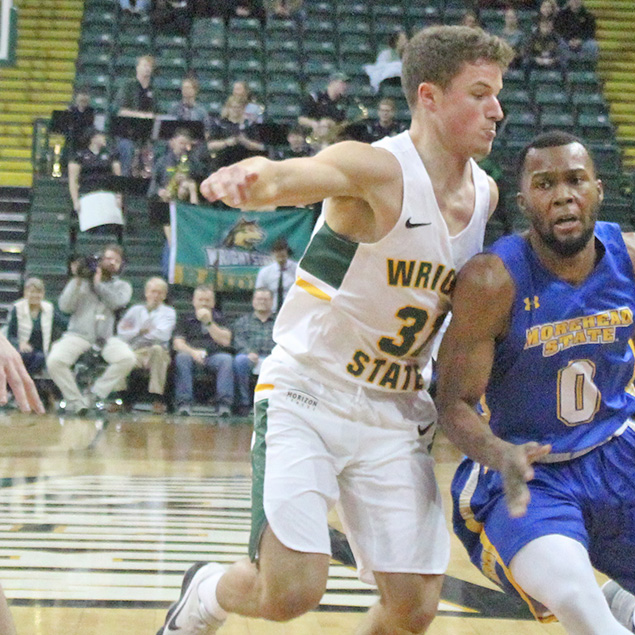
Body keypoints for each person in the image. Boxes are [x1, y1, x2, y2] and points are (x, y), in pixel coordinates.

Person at [155, 26, 512, 634]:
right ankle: (208, 592)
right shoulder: (372, 167)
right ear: (428, 97)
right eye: (479, 94)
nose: (496, 110)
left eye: (498, 94)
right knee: (290, 592)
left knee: (414, 608)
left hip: (397, 406)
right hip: (310, 392)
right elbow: (291, 176)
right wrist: (254, 180)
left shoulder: (486, 193)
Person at [438, 130, 635, 635]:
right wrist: (499, 454)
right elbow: (453, 402)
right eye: (545, 184)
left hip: (618, 457)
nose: (563, 194)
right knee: (581, 607)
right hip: (530, 471)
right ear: (524, 203)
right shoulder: (491, 281)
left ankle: (634, 614)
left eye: (575, 180)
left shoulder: (633, 257)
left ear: (597, 191)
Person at [46, 245, 135, 414]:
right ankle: (76, 401)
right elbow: (65, 306)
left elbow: (116, 302)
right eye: (108, 258)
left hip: (106, 338)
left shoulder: (123, 286)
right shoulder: (80, 281)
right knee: (55, 361)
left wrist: (99, 284)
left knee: (127, 358)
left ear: (121, 266)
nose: (112, 263)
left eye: (116, 261)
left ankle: (95, 394)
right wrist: (78, 280)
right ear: (100, 260)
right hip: (78, 334)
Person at [171, 284, 235, 417]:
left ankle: (224, 404)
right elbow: (178, 343)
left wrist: (209, 322)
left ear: (213, 302)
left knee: (227, 360)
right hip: (191, 355)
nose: (204, 303)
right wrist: (193, 352)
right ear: (194, 301)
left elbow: (225, 341)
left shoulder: (221, 318)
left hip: (214, 356)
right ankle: (184, 404)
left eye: (207, 300)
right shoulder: (185, 318)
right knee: (181, 357)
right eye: (201, 300)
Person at [116, 277, 176, 413]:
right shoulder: (135, 310)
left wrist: (136, 332)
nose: (156, 295)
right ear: (146, 293)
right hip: (136, 351)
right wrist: (140, 330)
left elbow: (163, 335)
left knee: (157, 350)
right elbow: (122, 332)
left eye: (160, 292)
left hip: (158, 351)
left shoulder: (169, 312)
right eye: (153, 291)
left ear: (164, 295)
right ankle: (122, 399)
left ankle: (157, 399)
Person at [68, 129, 123, 238]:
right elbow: (73, 181)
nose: (104, 139)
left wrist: (119, 196)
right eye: (101, 136)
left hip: (107, 195)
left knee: (107, 227)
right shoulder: (79, 156)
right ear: (93, 138)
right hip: (88, 196)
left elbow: (118, 177)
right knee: (90, 229)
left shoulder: (110, 154)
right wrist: (75, 201)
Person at [232, 287, 276, 416]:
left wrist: (275, 356)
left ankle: (272, 404)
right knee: (240, 361)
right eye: (259, 299)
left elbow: (284, 340)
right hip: (250, 358)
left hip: (273, 358)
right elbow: (238, 341)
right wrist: (248, 352)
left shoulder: (280, 322)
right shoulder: (243, 321)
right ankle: (244, 404)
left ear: (272, 301)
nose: (262, 302)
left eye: (266, 299)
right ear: (253, 301)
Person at [5, 278, 62, 376]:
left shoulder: (49, 308)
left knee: (40, 358)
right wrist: (20, 343)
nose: (35, 295)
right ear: (25, 293)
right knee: (23, 356)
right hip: (22, 349)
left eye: (38, 292)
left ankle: (23, 383)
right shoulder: (17, 308)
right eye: (31, 292)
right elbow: (10, 335)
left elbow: (63, 323)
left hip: (40, 351)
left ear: (43, 294)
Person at [112, 55, 156, 176]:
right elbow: (120, 110)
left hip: (147, 136)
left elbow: (156, 113)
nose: (147, 69)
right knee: (127, 148)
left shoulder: (154, 90)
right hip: (127, 135)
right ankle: (124, 183)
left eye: (149, 66)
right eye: (144, 65)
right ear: (137, 68)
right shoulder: (128, 87)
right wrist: (141, 115)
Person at [207, 96, 266, 171]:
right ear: (228, 108)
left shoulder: (249, 125)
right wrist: (226, 142)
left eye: (239, 107)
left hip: (245, 165)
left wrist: (245, 141)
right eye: (233, 107)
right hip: (223, 165)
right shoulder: (220, 124)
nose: (236, 110)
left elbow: (260, 147)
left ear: (243, 109)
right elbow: (210, 145)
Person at [150, 127, 203, 206]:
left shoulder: (194, 163)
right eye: (181, 143)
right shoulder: (162, 161)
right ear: (172, 143)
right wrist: (159, 191)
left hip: (185, 203)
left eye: (186, 144)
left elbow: (201, 182)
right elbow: (152, 186)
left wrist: (188, 179)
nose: (183, 147)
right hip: (165, 201)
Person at [298, 73, 349, 151]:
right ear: (332, 83)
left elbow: (342, 122)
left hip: (333, 135)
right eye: (342, 83)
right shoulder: (316, 97)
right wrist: (314, 124)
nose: (345, 86)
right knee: (324, 125)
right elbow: (301, 119)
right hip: (314, 133)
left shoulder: (343, 102)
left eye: (346, 84)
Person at [254, 238, 297, 313]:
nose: (280, 254)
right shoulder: (265, 272)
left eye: (282, 252)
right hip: (271, 313)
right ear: (273, 254)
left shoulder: (297, 270)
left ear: (287, 252)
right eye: (277, 252)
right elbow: (260, 294)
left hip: (293, 312)